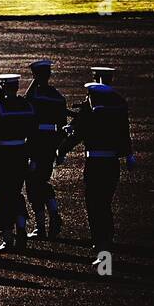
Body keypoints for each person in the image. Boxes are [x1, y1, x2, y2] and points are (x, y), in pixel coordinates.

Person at [61, 82, 134, 268]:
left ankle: (104, 256)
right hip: (111, 165)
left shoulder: (93, 116)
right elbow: (124, 137)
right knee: (104, 206)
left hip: (95, 165)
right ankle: (106, 247)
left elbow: (77, 136)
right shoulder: (114, 117)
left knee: (95, 208)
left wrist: (60, 150)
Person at [0, 74, 36, 252]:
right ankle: (21, 230)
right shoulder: (27, 106)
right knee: (17, 194)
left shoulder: (0, 108)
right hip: (21, 154)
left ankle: (7, 238)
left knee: (4, 197)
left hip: (3, 156)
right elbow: (34, 133)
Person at [25, 60, 66, 239]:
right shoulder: (57, 96)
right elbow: (62, 126)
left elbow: (27, 113)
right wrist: (58, 147)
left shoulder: (34, 96)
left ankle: (41, 226)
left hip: (36, 143)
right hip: (50, 143)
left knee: (33, 185)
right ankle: (53, 213)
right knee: (42, 181)